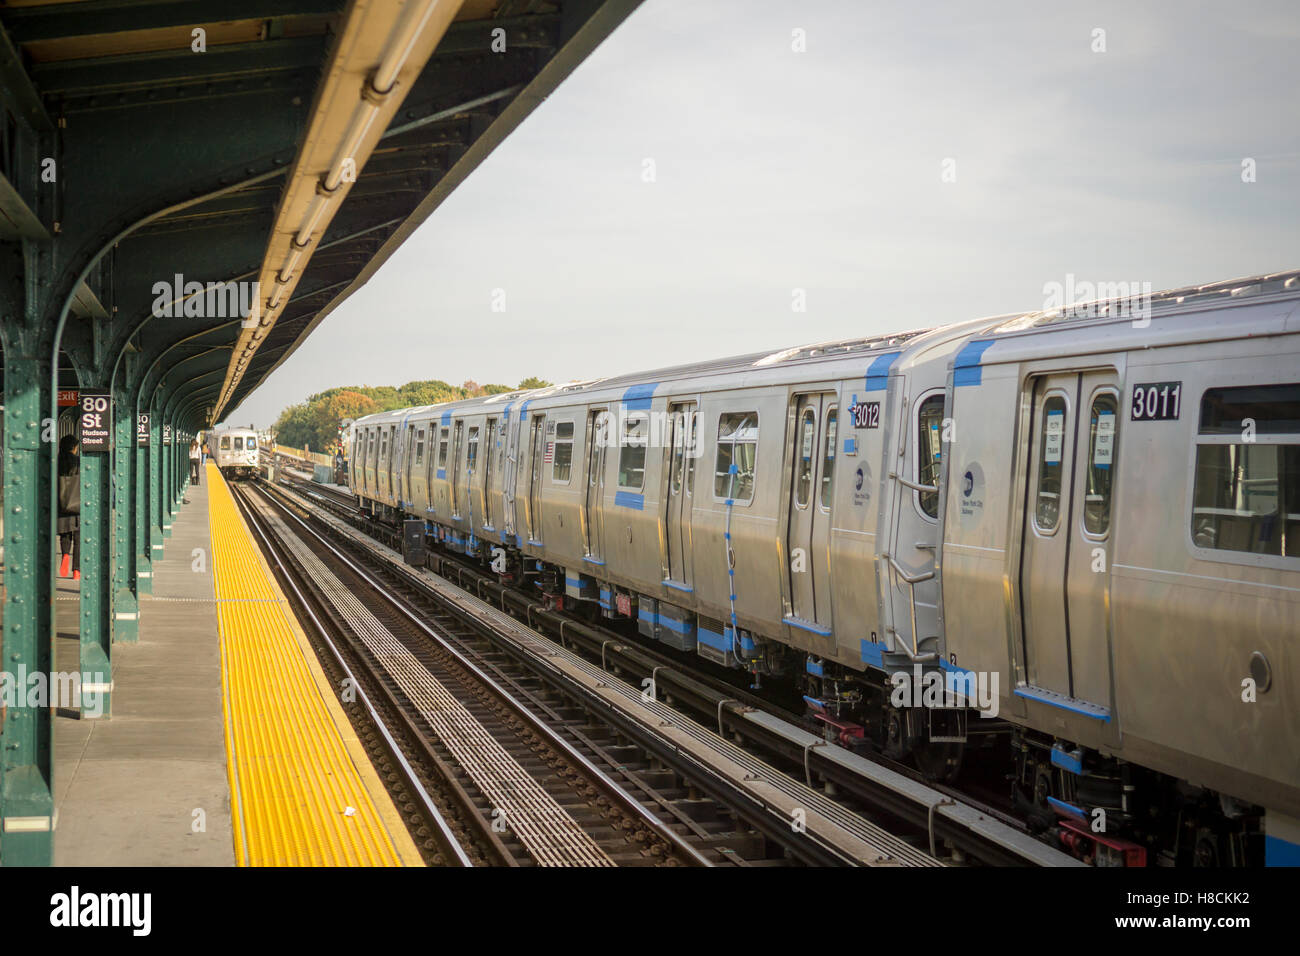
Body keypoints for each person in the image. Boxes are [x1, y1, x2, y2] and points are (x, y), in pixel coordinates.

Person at [57, 434, 80, 579]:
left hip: (62, 503)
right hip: (77, 503)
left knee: (65, 533)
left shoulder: (56, 462)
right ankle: (76, 570)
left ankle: (65, 555)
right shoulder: (78, 462)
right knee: (78, 537)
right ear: (74, 448)